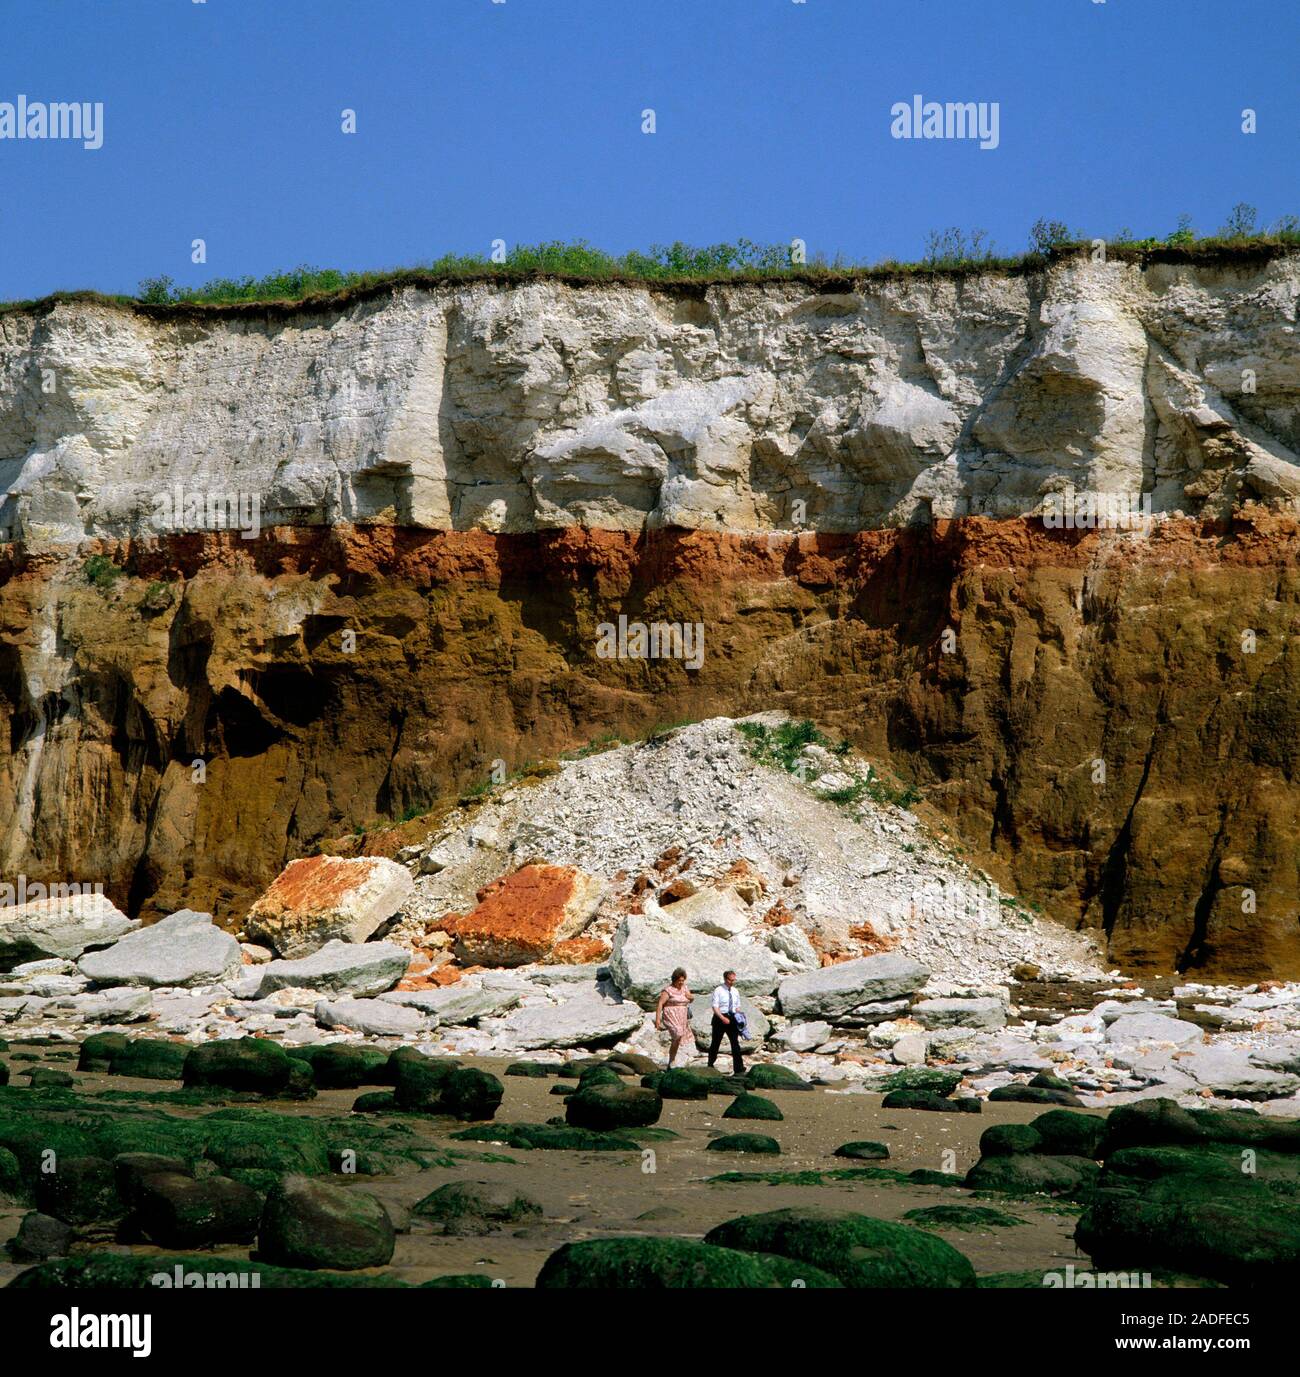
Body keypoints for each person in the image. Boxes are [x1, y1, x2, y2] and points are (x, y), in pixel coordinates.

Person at [707, 969, 746, 1076]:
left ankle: (739, 1068)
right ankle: (710, 1064)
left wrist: (739, 1016)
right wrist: (722, 1018)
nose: (732, 982)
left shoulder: (735, 991)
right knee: (716, 1042)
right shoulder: (718, 990)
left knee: (735, 1043)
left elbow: (737, 1005)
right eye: (730, 980)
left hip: (732, 1017)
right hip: (720, 1017)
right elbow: (715, 1006)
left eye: (734, 980)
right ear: (725, 979)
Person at [655, 967, 694, 1069]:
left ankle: (671, 1060)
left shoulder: (685, 988)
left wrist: (691, 997)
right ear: (674, 980)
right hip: (671, 1015)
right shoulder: (668, 990)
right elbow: (660, 1004)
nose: (681, 982)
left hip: (682, 1015)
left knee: (678, 1038)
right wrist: (658, 1019)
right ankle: (672, 1060)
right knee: (678, 1033)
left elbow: (690, 998)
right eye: (679, 980)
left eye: (683, 980)